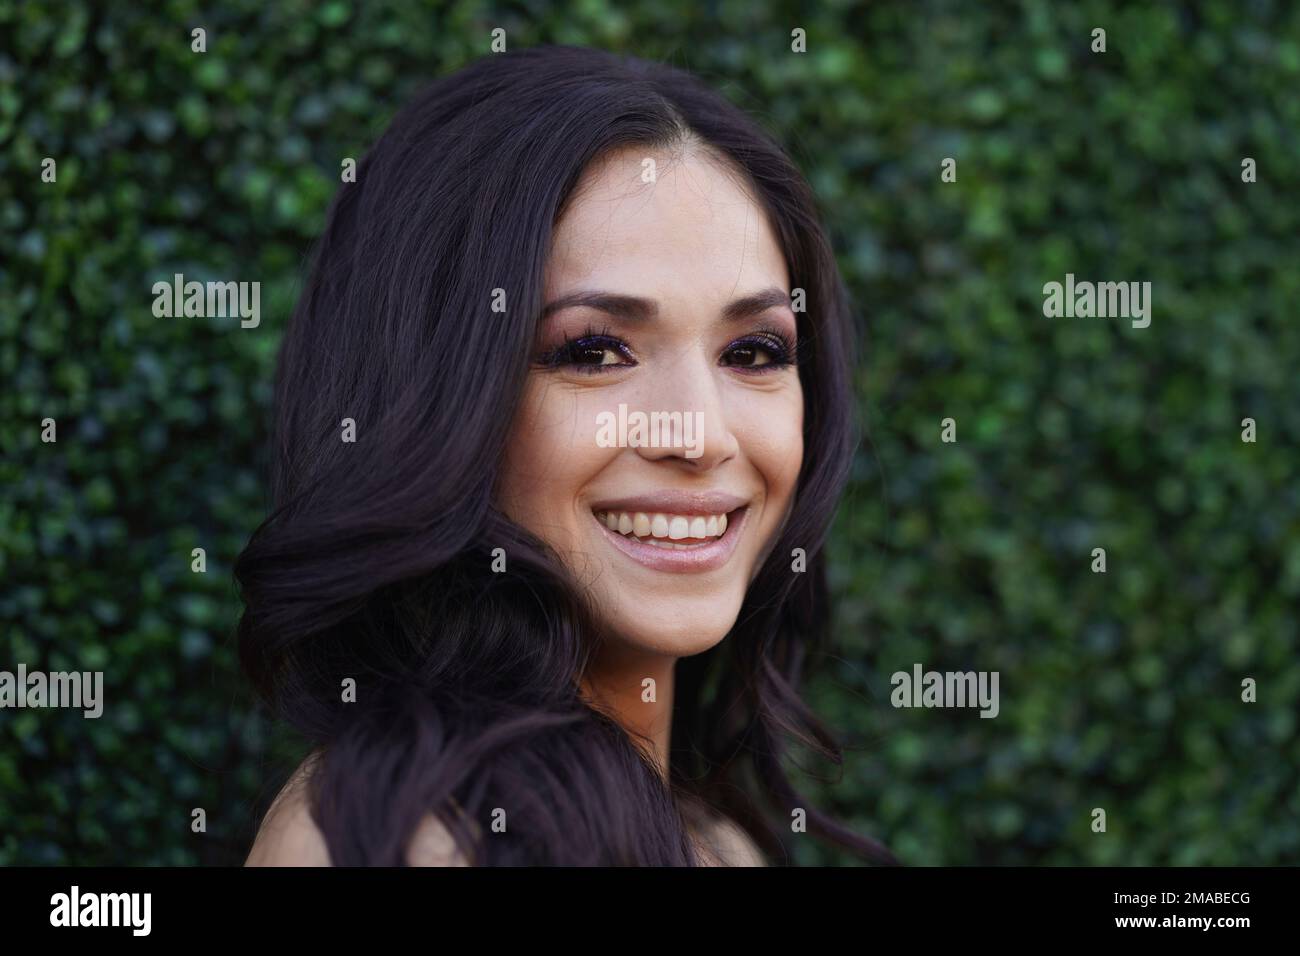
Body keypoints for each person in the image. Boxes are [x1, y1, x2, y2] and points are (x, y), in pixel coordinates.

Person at [237, 44, 893, 866]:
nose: (700, 437)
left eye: (754, 352)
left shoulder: (721, 837)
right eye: (592, 351)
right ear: (436, 396)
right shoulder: (398, 838)